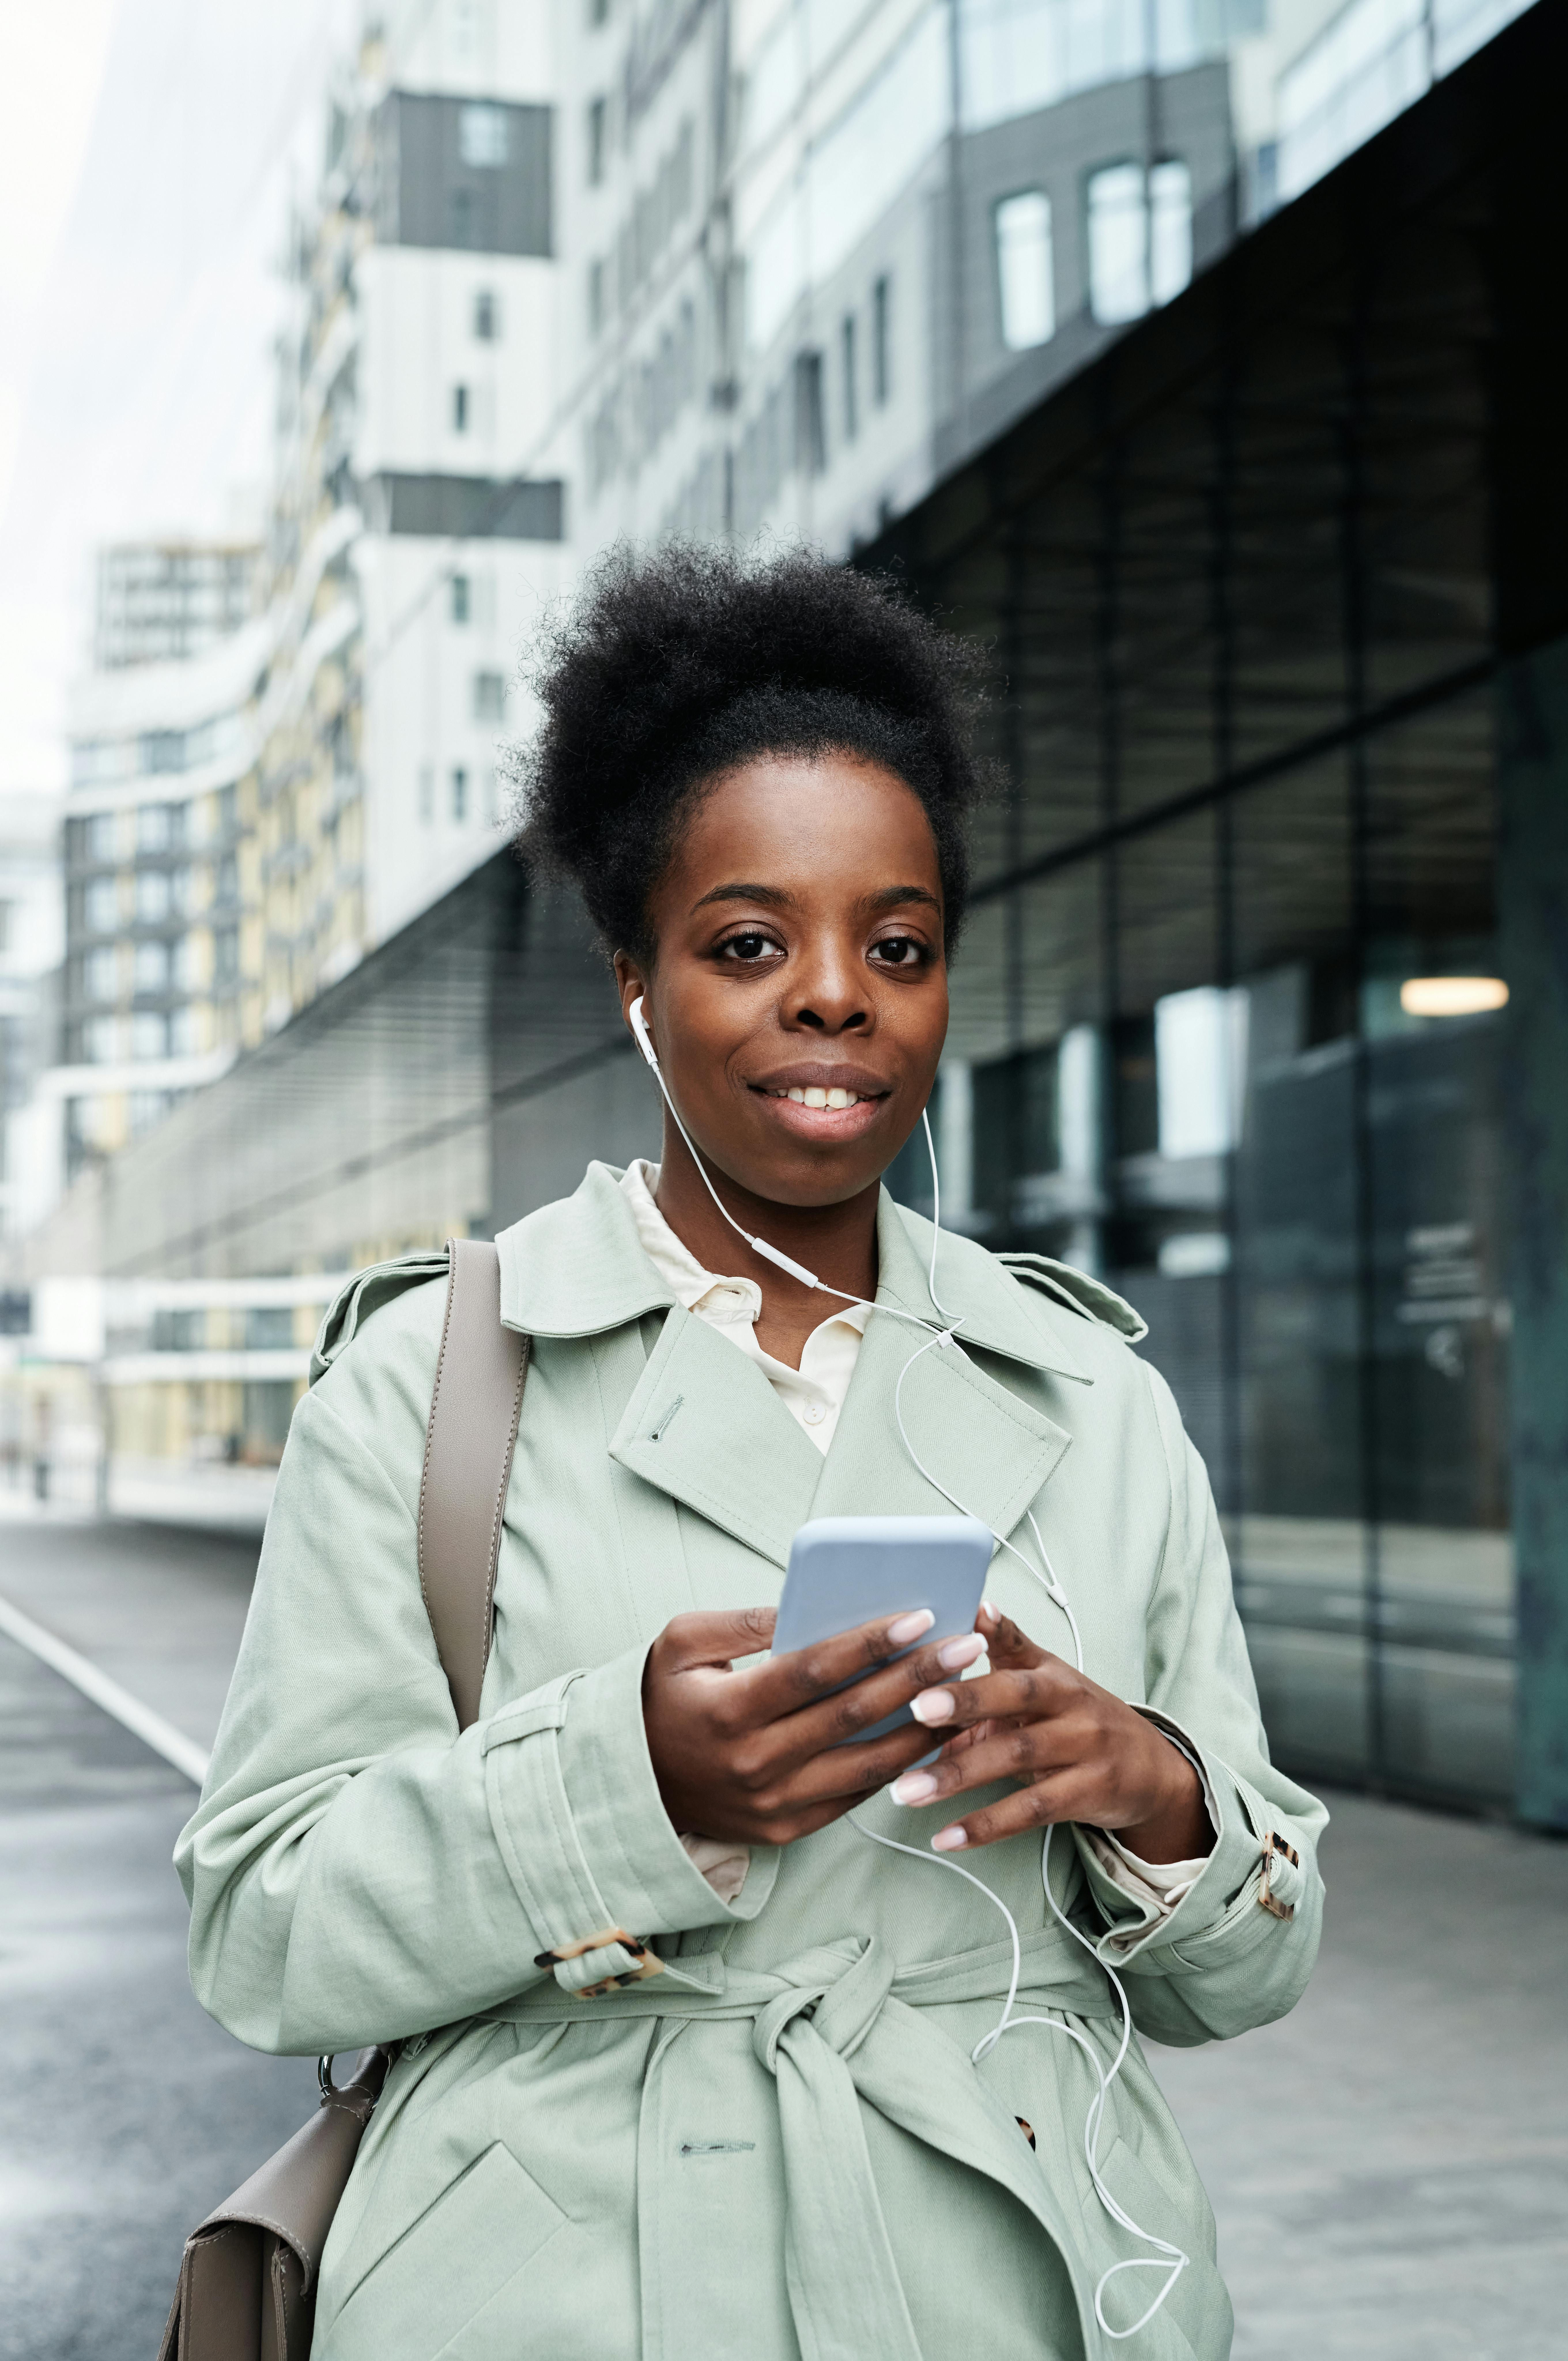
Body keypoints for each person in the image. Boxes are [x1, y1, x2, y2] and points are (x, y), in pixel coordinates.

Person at [178, 546, 1324, 2361]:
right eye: (745, 943)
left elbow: (1247, 1970)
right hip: (551, 2278)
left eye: (897, 944)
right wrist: (625, 1786)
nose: (833, 997)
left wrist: (1151, 1791)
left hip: (1014, 2269)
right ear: (633, 978)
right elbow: (262, 1930)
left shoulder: (1087, 1395)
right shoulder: (433, 1381)